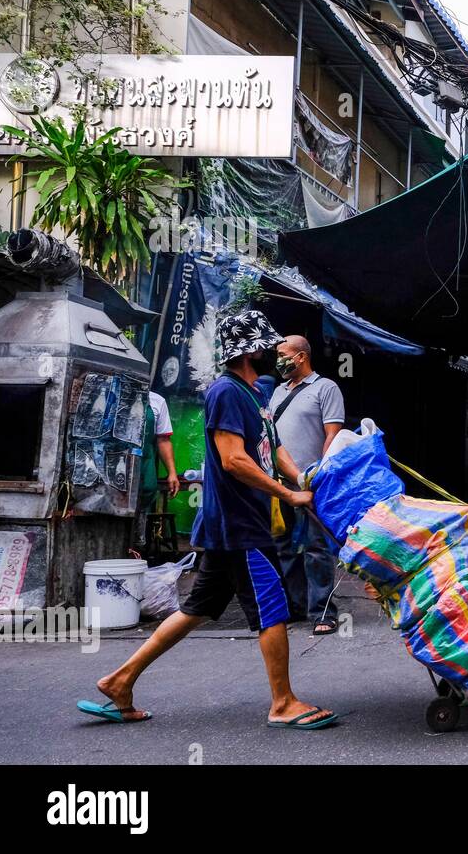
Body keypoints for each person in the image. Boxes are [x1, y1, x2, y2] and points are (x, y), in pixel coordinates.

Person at [77, 309, 335, 729]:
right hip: (240, 525)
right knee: (271, 609)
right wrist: (288, 494)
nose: (274, 353)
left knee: (197, 608)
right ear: (250, 350)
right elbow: (234, 460)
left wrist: (307, 481)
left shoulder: (256, 394)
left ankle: (119, 681)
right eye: (268, 347)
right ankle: (283, 702)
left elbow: (274, 448)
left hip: (236, 524)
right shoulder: (226, 392)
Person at [269, 335, 346, 635]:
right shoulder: (277, 392)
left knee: (317, 547)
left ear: (301, 356)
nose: (278, 360)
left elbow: (333, 435)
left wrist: (319, 477)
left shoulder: (325, 388)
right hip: (281, 483)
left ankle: (323, 612)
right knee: (284, 546)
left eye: (283, 354)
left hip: (315, 482)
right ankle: (295, 606)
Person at [133, 391, 181, 549]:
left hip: (142, 474)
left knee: (137, 526)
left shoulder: (156, 400)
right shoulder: (110, 391)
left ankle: (136, 552)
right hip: (110, 478)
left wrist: (172, 472)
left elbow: (163, 439)